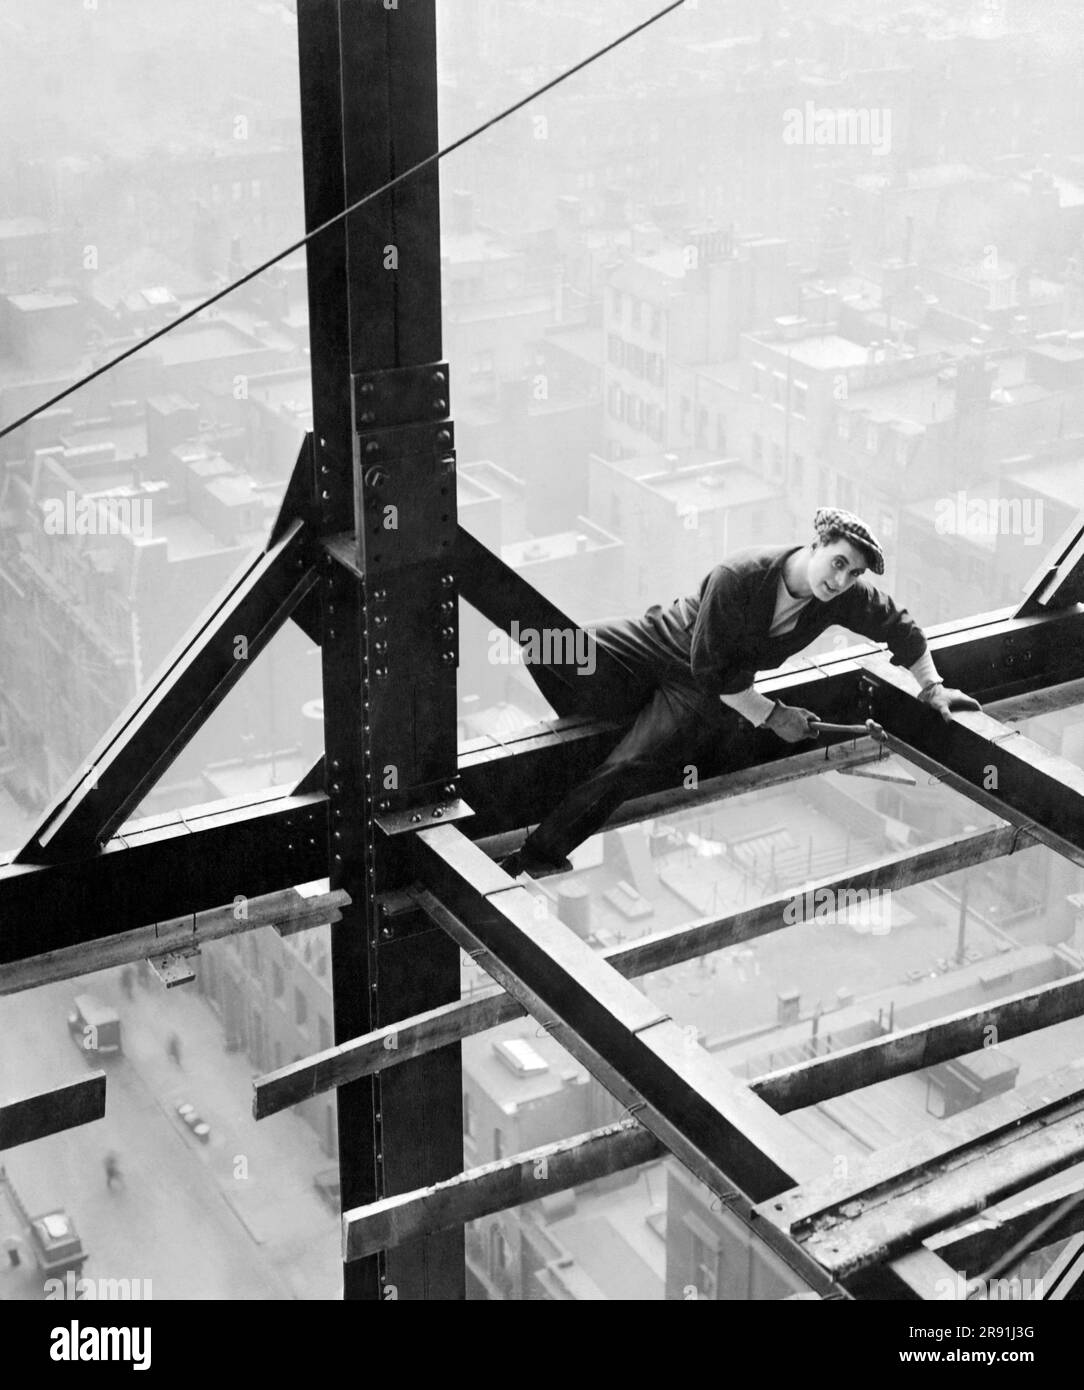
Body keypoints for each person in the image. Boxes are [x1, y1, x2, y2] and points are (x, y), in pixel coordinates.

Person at [502, 507, 981, 877]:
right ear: (817, 544)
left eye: (853, 573)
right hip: (665, 640)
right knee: (544, 643)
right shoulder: (741, 575)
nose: (840, 581)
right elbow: (709, 663)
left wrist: (932, 687)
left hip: (702, 689)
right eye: (838, 563)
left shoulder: (838, 597)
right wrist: (774, 715)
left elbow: (899, 626)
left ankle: (539, 854)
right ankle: (615, 713)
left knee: (625, 767)